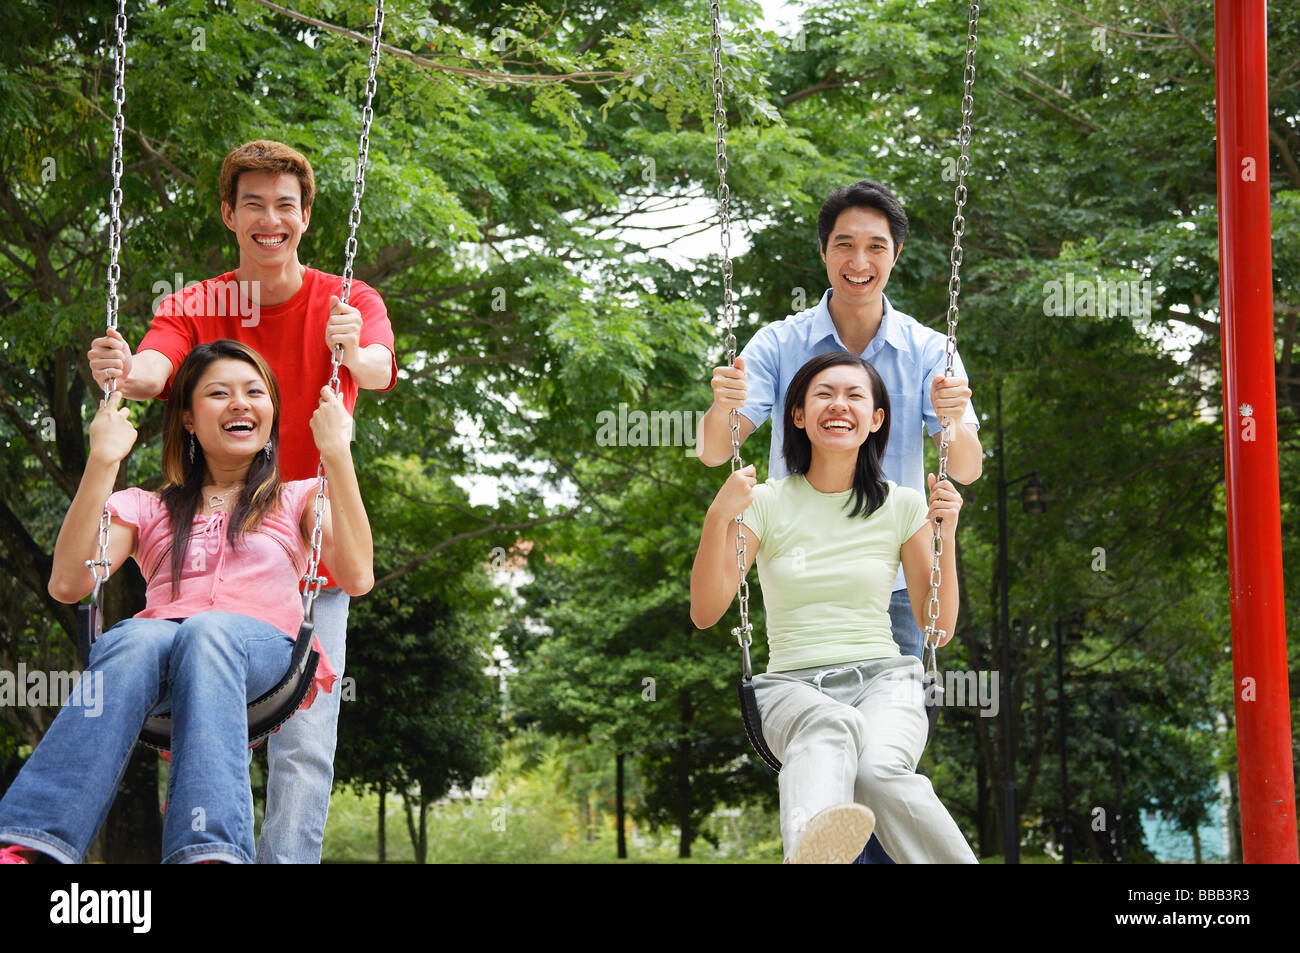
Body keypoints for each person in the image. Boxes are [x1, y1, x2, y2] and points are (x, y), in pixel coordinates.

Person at [85, 139, 396, 863]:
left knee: (305, 747)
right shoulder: (198, 302)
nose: (269, 219)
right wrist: (127, 370)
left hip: (308, 551)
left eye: (285, 205)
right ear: (229, 213)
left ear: (306, 217)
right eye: (252, 203)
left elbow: (378, 370)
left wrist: (349, 351)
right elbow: (156, 366)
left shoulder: (348, 303)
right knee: (197, 728)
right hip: (212, 553)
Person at [696, 179, 982, 863]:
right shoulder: (781, 341)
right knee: (826, 741)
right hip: (801, 576)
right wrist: (722, 404)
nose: (859, 260)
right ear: (824, 253)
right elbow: (716, 446)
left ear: (897, 254)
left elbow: (964, 465)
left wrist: (950, 421)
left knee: (878, 765)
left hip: (894, 577)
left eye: (875, 246)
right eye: (844, 244)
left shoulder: (927, 350)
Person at [0, 340, 373, 864]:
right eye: (218, 393)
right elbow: (67, 583)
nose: (240, 403)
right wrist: (103, 462)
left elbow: (356, 575)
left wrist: (337, 453)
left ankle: (210, 853)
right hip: (161, 664)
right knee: (135, 632)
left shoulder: (296, 498)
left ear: (271, 413)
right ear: (190, 420)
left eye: (254, 393)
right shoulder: (149, 508)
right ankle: (31, 846)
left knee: (209, 630)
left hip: (263, 657)